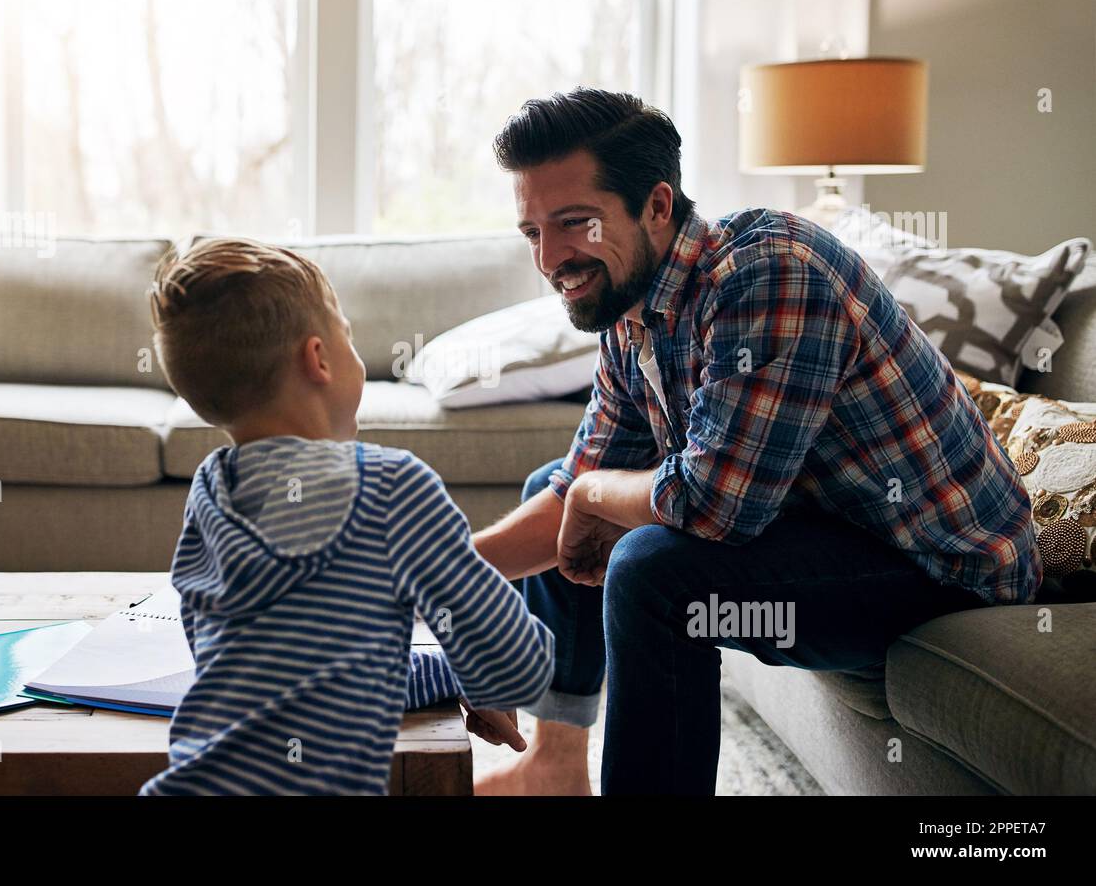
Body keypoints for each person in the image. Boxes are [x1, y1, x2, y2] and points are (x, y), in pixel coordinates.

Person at [469, 88, 1041, 795]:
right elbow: (582, 478)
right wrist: (447, 580)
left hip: (935, 564)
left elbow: (713, 507)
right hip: (820, 525)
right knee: (555, 494)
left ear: (656, 205)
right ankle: (553, 767)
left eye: (574, 223)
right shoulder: (627, 304)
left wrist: (590, 493)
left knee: (652, 570)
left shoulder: (769, 273)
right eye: (532, 232)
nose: (551, 257)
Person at [139, 237, 554, 795]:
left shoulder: (212, 490)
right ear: (319, 359)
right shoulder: (393, 486)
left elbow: (298, 677)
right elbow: (518, 665)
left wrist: (451, 675)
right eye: (350, 336)